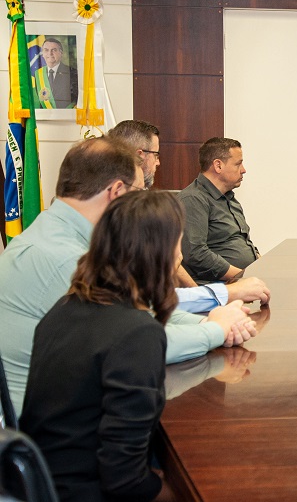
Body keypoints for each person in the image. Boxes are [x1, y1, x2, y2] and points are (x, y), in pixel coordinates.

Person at [0, 138, 256, 416]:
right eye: (140, 191)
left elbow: (141, 310)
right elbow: (138, 344)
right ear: (116, 192)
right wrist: (216, 330)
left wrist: (212, 320)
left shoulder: (60, 235)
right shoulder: (64, 258)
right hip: (50, 434)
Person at [19, 190, 183, 501]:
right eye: (177, 243)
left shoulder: (64, 308)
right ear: (156, 252)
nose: (180, 256)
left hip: (45, 484)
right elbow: (123, 481)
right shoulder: (137, 334)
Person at [108, 120, 271, 308]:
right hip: (211, 287)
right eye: (156, 155)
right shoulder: (192, 199)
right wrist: (214, 295)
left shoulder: (229, 198)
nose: (159, 162)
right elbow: (193, 254)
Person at [179, 137, 260, 283]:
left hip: (241, 282)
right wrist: (243, 276)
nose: (244, 170)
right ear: (218, 166)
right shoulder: (192, 199)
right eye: (238, 164)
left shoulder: (229, 199)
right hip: (217, 287)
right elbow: (196, 254)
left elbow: (243, 241)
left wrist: (262, 266)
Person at [41, 36, 78, 107]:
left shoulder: (72, 73)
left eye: (54, 50)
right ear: (42, 53)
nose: (50, 53)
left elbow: (76, 100)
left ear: (61, 53)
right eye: (46, 50)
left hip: (65, 115)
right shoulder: (38, 74)